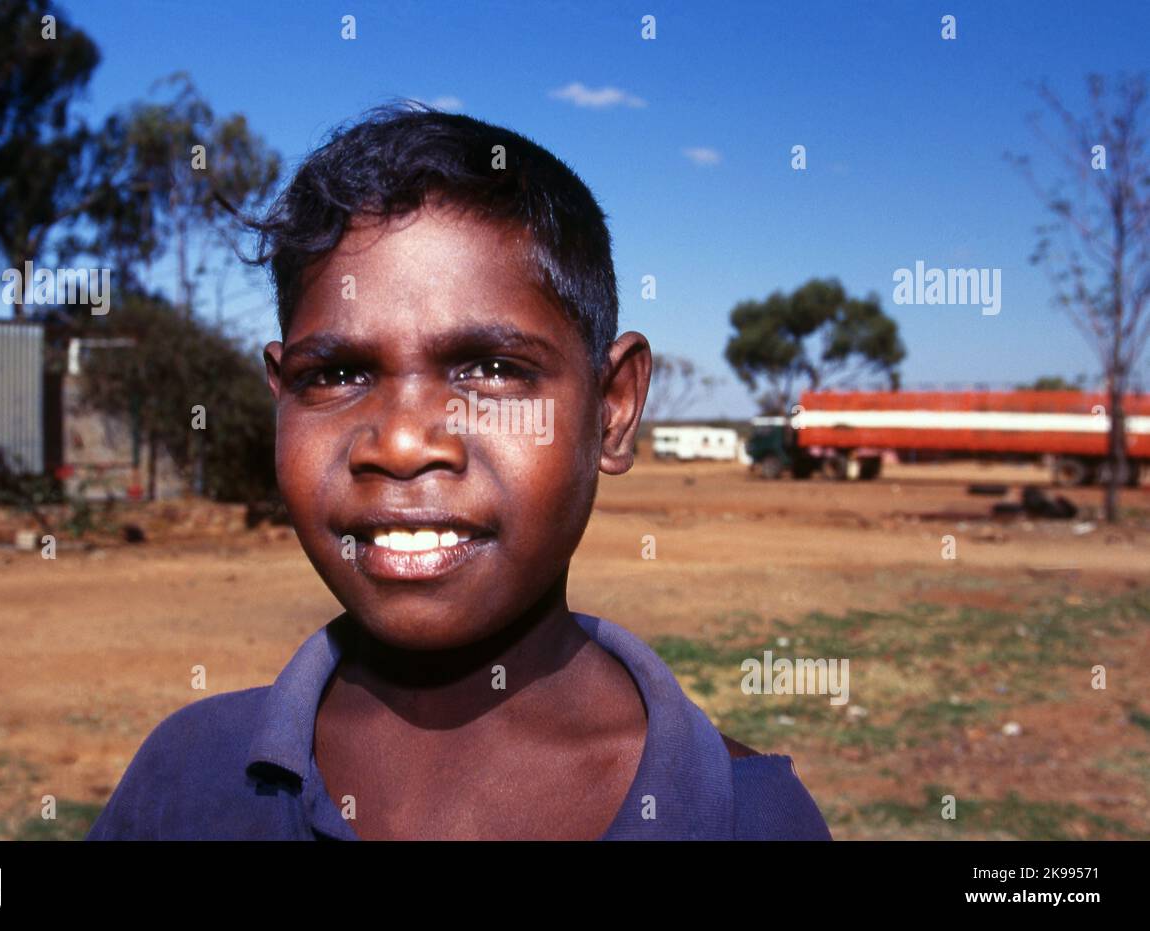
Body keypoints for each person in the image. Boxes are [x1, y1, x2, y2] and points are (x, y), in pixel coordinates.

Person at [87, 102, 831, 840]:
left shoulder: (749, 819)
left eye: (491, 368)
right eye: (338, 373)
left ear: (612, 408)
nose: (404, 444)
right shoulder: (186, 782)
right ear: (281, 397)